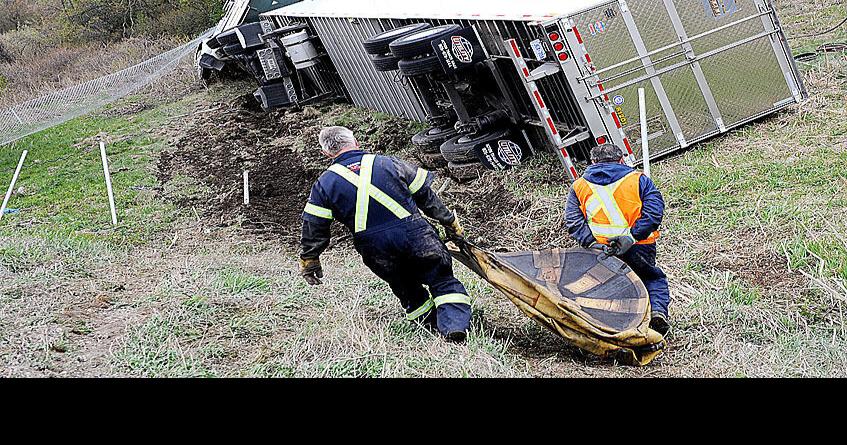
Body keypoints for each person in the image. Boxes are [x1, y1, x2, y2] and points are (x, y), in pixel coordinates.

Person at [298, 126, 472, 342]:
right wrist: (450, 222)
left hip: (375, 248)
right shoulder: (389, 163)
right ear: (356, 143)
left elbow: (314, 226)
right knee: (442, 280)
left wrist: (310, 258)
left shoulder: (324, 184)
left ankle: (429, 327)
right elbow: (427, 198)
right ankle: (453, 326)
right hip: (416, 235)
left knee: (406, 287)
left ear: (327, 153)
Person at [565, 144, 671, 335]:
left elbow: (573, 220)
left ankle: (612, 326)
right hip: (639, 246)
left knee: (605, 287)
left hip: (600, 251)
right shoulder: (639, 180)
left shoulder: (579, 186)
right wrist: (632, 237)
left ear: (593, 162)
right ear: (621, 160)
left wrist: (591, 243)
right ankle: (656, 313)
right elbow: (654, 212)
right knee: (650, 279)